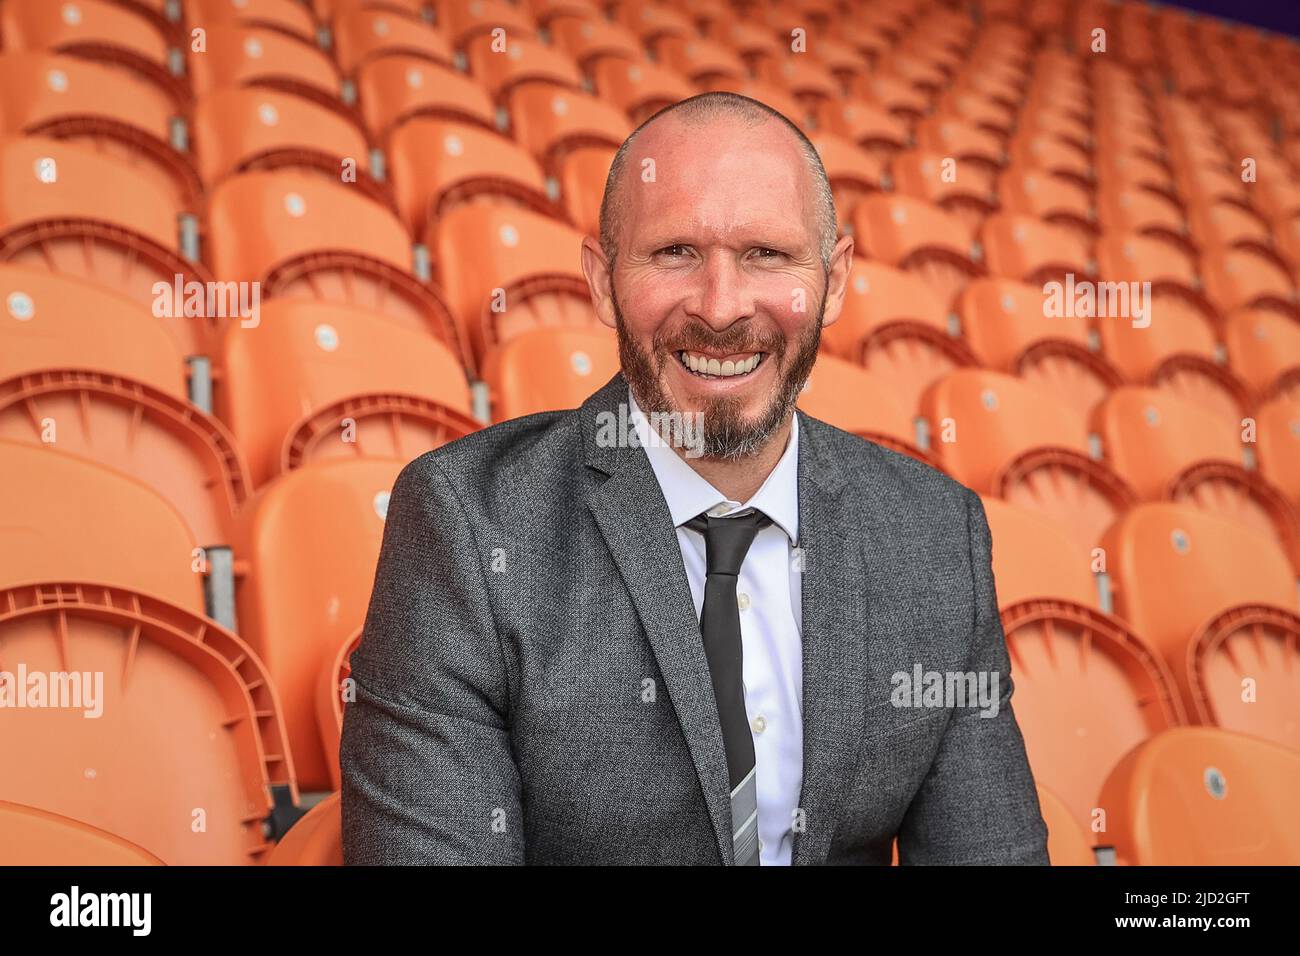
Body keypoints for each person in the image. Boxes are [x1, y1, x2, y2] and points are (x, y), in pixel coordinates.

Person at [341, 91, 1049, 865]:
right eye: (675, 252)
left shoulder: (935, 535)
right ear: (604, 280)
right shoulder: (466, 527)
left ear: (834, 279)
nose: (720, 308)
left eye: (766, 255)